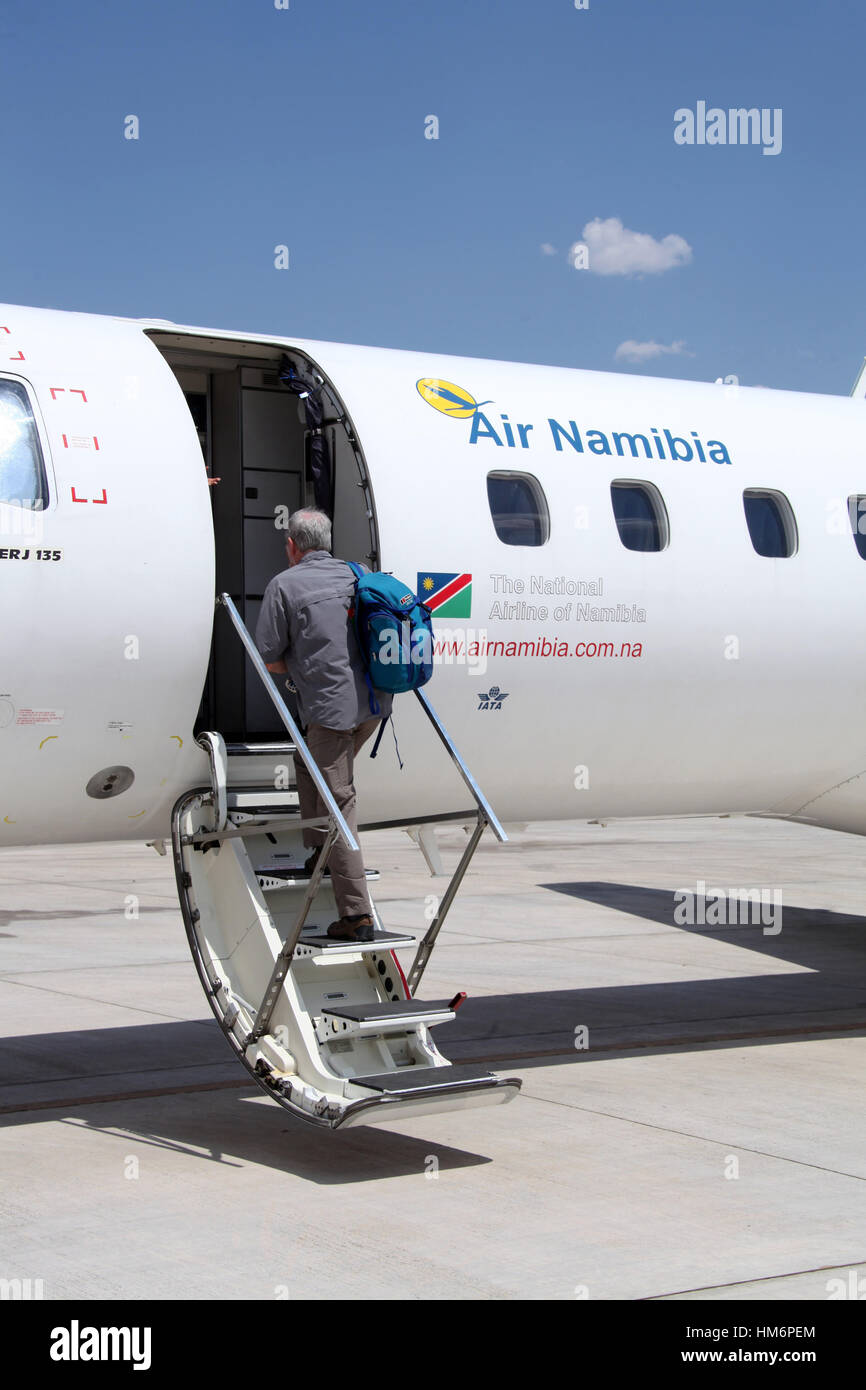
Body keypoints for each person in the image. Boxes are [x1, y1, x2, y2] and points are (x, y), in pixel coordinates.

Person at [255, 508, 391, 941]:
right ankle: (319, 852)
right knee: (306, 761)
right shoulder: (357, 574)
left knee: (339, 801)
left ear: (292, 545)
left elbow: (271, 657)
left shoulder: (284, 584)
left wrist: (301, 666)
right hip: (373, 705)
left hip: (330, 713)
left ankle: (356, 915)